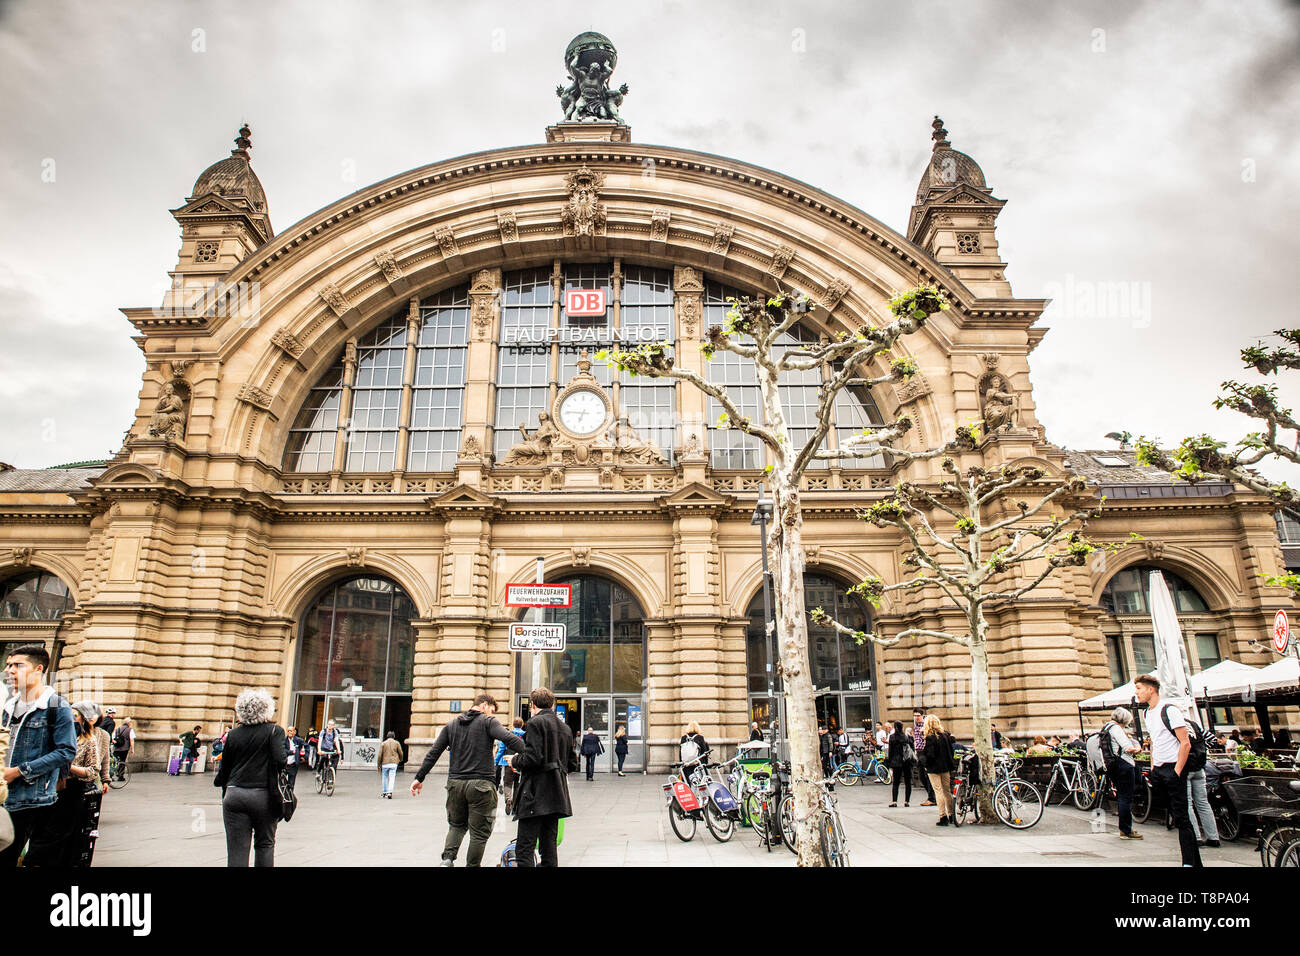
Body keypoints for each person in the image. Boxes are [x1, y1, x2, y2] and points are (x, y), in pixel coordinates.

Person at [410, 693, 524, 867]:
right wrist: (530, 752)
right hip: (481, 785)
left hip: (455, 784)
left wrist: (419, 778)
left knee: (456, 826)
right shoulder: (488, 722)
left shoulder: (451, 725)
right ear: (485, 705)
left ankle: (447, 859)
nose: (491, 714)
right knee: (479, 833)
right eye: (491, 710)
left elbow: (434, 752)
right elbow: (508, 738)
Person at [1, 644, 76, 867]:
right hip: (4, 796)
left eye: (18, 665)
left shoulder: (56, 705)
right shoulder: (7, 706)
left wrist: (18, 771)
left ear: (38, 669)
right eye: (8, 665)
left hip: (34, 798)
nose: (9, 670)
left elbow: (66, 751)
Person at [25, 699, 108, 866]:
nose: (70, 717)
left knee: (60, 835)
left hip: (70, 790)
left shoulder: (90, 739)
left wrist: (69, 766)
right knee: (40, 830)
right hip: (46, 788)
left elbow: (93, 770)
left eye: (75, 714)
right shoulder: (54, 735)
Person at [213, 688, 287, 868]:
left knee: (237, 849)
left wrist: (224, 791)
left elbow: (225, 768)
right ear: (267, 709)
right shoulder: (274, 731)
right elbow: (281, 760)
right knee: (265, 844)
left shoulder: (233, 734)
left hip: (234, 794)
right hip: (263, 796)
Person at [1133, 674, 1201, 867]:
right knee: (1176, 817)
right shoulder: (1147, 713)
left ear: (1150, 689)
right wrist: (1154, 767)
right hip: (1160, 770)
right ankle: (1195, 862)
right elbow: (1154, 741)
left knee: (1181, 817)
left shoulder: (1169, 710)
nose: (1137, 693)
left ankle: (1188, 862)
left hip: (1173, 768)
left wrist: (1177, 771)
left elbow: (1185, 743)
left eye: (1139, 689)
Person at [508, 687, 575, 867]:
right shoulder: (565, 728)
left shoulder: (535, 723)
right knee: (548, 846)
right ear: (552, 704)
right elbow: (573, 763)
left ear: (533, 705)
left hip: (535, 793)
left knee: (525, 847)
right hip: (557, 793)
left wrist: (515, 761)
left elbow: (533, 758)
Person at [1102, 707, 1143, 840]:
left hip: (1112, 765)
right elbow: (1128, 748)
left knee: (1121, 796)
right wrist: (1137, 749)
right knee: (1126, 798)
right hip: (1124, 765)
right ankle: (1126, 830)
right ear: (1125, 720)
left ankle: (1125, 829)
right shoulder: (1117, 729)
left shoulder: (1106, 727)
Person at [1182, 710, 1220, 848]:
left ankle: (1196, 837)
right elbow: (1212, 739)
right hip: (1199, 767)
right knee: (1203, 803)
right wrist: (1202, 750)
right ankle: (1213, 837)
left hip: (1185, 767)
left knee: (1188, 804)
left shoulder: (1175, 726)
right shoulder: (1193, 724)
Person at [921, 714, 957, 826]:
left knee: (938, 791)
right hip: (945, 767)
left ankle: (943, 816)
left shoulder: (930, 738)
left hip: (934, 768)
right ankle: (951, 814)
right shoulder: (945, 735)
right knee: (947, 791)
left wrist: (925, 763)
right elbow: (951, 752)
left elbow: (930, 755)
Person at [500, 717, 526, 812]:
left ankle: (508, 799)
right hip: (520, 763)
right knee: (517, 784)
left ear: (513, 724)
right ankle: (515, 805)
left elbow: (502, 749)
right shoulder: (525, 736)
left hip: (508, 762)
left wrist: (497, 761)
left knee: (508, 783)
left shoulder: (508, 735)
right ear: (522, 724)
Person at [887, 720, 915, 807]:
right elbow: (912, 748)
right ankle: (907, 801)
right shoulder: (906, 737)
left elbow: (890, 751)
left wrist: (890, 762)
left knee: (896, 782)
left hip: (896, 762)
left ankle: (894, 801)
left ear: (895, 727)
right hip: (906, 761)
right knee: (907, 782)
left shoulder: (892, 737)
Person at [912, 709, 936, 806]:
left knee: (927, 775)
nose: (916, 717)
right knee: (921, 776)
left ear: (922, 716)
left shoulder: (926, 725)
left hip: (925, 752)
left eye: (918, 715)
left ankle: (932, 798)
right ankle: (932, 797)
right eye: (915, 716)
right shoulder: (916, 726)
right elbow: (916, 739)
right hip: (919, 752)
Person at [378, 731, 403, 799]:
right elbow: (400, 752)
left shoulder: (383, 743)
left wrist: (378, 764)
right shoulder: (396, 743)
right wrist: (400, 759)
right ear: (394, 736)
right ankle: (390, 792)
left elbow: (380, 755)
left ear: (387, 736)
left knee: (384, 777)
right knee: (392, 778)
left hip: (385, 763)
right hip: (394, 763)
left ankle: (384, 792)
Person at [284, 726, 303, 792]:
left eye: (291, 731)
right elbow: (283, 750)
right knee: (282, 781)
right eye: (288, 731)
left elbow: (303, 748)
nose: (289, 732)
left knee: (291, 782)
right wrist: (291, 752)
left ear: (294, 732)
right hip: (285, 764)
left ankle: (290, 796)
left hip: (293, 764)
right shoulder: (284, 740)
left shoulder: (299, 740)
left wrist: (303, 756)